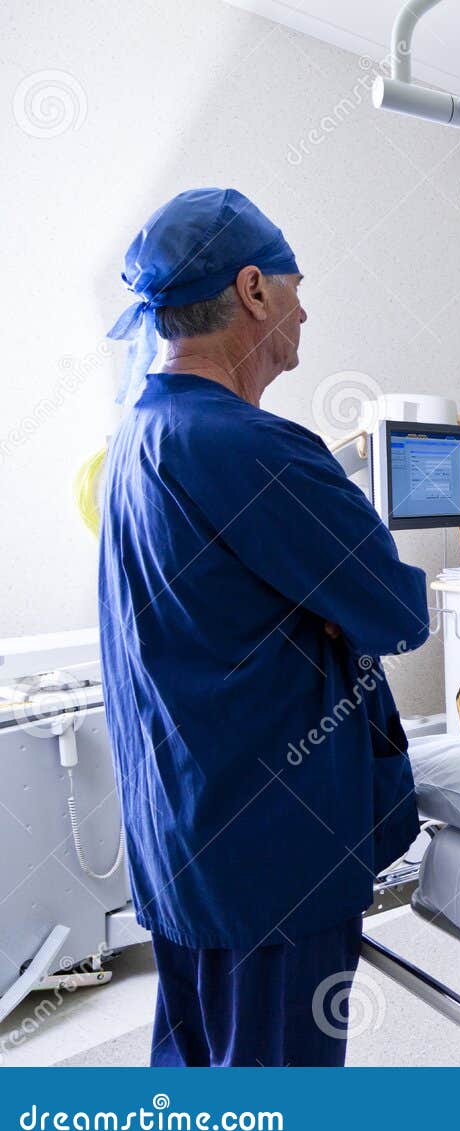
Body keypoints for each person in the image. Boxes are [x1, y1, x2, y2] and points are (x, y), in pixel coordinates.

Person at [98, 188, 430, 1067]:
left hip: (182, 842)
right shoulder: (252, 446)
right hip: (272, 864)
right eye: (295, 287)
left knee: (200, 1072)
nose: (303, 310)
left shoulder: (139, 437)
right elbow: (398, 611)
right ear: (252, 290)